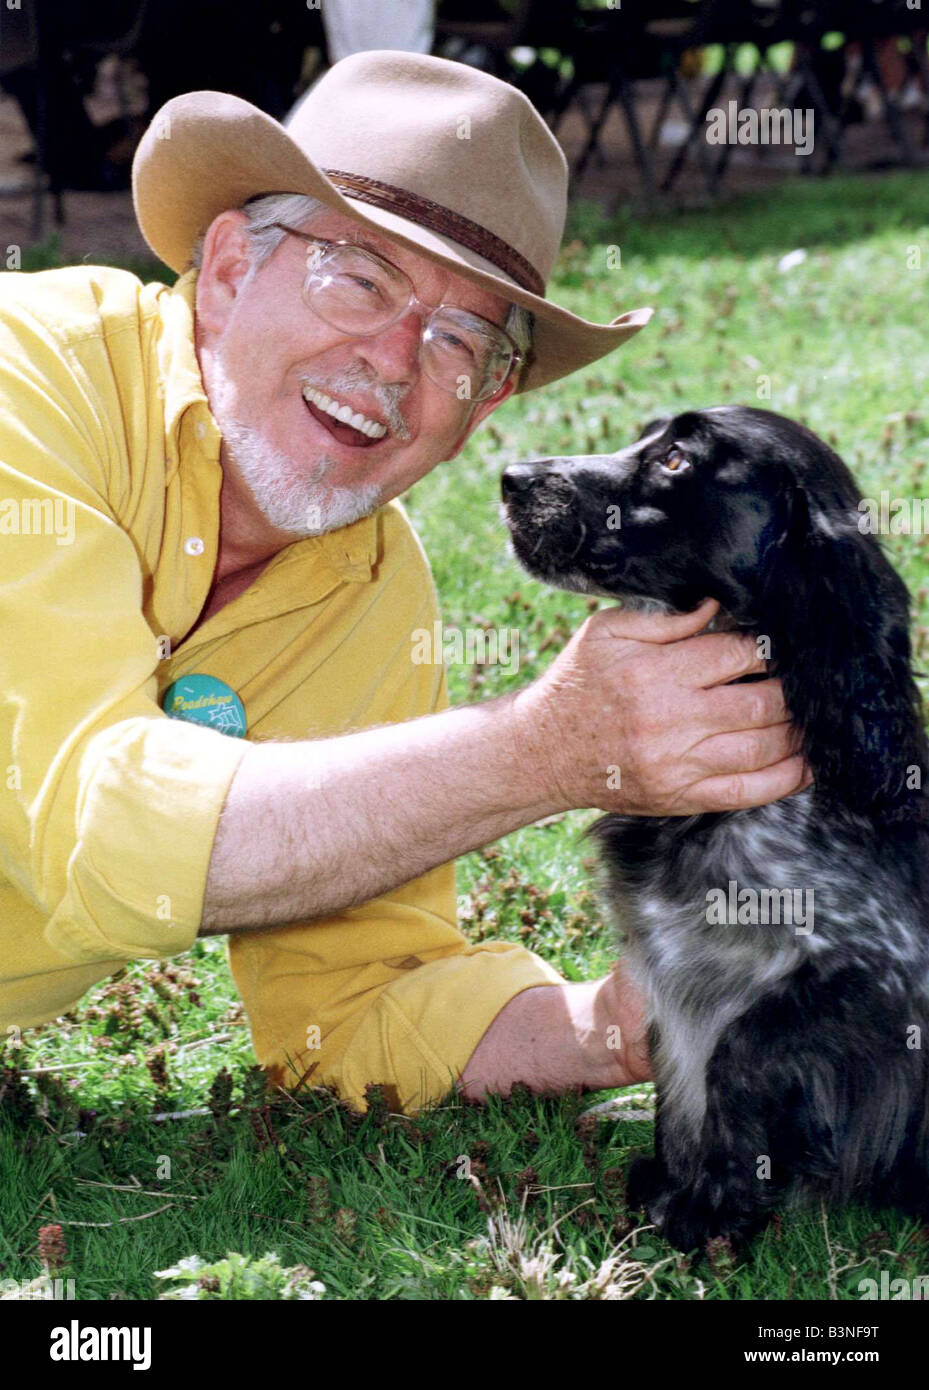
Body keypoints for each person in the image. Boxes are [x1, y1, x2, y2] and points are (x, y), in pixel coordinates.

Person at [0, 52, 807, 1113]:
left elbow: (349, 1005)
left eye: (459, 341)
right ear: (233, 264)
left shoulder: (372, 592)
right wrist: (545, 746)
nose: (391, 361)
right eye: (360, 278)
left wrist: (612, 1025)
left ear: (481, 408)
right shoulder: (28, 377)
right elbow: (99, 835)